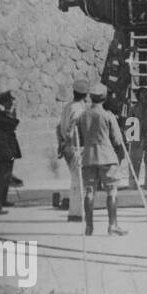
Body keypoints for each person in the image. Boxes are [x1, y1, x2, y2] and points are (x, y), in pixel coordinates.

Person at [76, 84, 129, 236]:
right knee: (111, 190)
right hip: (107, 157)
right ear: (104, 98)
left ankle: (89, 226)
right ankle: (112, 225)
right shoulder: (108, 116)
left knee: (89, 191)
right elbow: (118, 140)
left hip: (88, 157)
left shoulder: (82, 116)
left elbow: (78, 138)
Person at [55, 78, 89, 221]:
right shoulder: (79, 109)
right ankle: (77, 213)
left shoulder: (68, 106)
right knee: (80, 181)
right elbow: (72, 130)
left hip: (67, 147)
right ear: (85, 94)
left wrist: (61, 144)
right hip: (76, 147)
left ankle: (76, 212)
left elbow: (58, 128)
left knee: (76, 180)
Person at [127, 86, 147, 191]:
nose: (144, 97)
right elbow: (129, 126)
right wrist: (131, 140)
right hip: (137, 139)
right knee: (135, 163)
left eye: (146, 95)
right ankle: (133, 185)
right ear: (138, 97)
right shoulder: (134, 109)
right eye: (142, 96)